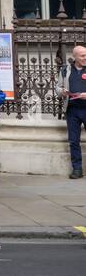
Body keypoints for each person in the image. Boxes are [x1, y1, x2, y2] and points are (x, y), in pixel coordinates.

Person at [63, 44, 86, 179]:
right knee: (73, 141)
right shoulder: (66, 70)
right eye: (82, 56)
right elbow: (58, 87)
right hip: (72, 110)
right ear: (75, 57)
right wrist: (62, 92)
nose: (85, 58)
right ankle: (77, 169)